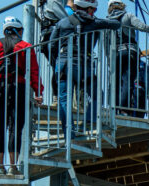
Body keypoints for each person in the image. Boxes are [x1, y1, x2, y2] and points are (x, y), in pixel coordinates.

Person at [0, 17, 43, 176]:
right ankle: (13, 166)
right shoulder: (26, 47)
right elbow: (33, 71)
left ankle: (0, 166)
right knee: (15, 128)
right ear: (19, 30)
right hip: (18, 89)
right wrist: (38, 92)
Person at [49, 0, 122, 137]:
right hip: (83, 65)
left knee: (64, 100)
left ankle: (69, 135)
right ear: (88, 9)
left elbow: (52, 45)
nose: (94, 13)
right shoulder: (94, 23)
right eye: (93, 10)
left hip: (64, 65)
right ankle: (90, 123)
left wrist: (58, 61)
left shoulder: (62, 22)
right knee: (95, 94)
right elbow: (116, 25)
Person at [107, 0, 149, 116]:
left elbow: (106, 42)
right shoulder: (128, 16)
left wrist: (109, 60)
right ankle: (124, 110)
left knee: (115, 82)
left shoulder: (106, 22)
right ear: (122, 6)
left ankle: (114, 110)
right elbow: (142, 27)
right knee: (127, 81)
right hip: (130, 51)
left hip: (115, 53)